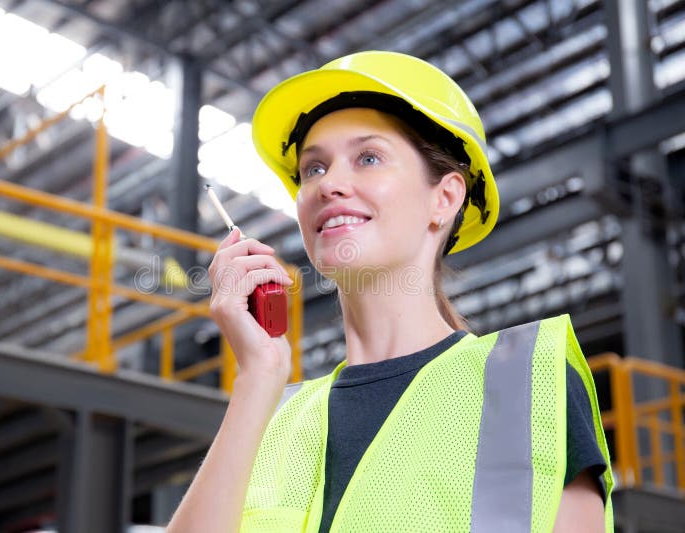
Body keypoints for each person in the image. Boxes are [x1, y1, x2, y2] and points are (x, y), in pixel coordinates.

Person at [167, 51, 613, 532]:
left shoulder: (527, 388)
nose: (329, 184)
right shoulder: (274, 422)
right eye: (313, 169)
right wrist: (259, 374)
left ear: (443, 199)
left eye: (368, 157)